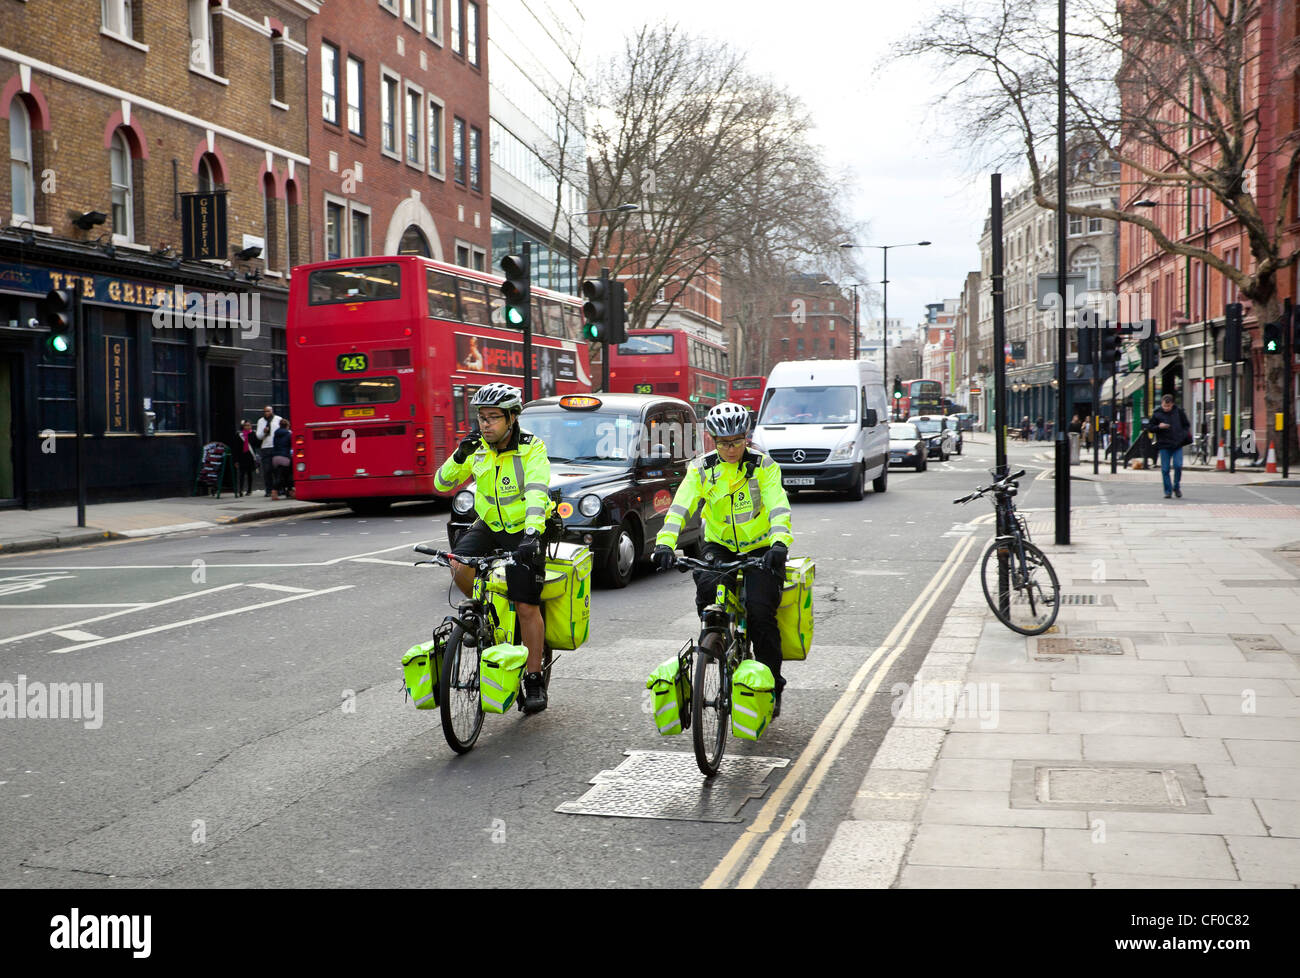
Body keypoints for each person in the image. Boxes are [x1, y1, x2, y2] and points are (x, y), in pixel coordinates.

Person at [651, 401, 795, 719]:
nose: (731, 449)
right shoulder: (702, 468)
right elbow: (680, 507)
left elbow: (778, 507)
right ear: (713, 441)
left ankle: (772, 685)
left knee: (760, 614)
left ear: (746, 437)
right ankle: (717, 645)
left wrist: (780, 543)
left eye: (737, 441)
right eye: (724, 443)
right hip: (720, 545)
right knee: (708, 596)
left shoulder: (763, 466)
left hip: (762, 549)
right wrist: (664, 543)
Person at [434, 383, 556, 713]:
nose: (485, 425)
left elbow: (536, 492)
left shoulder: (531, 448)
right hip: (489, 524)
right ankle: (481, 618)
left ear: (512, 418)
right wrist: (459, 456)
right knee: (459, 563)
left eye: (493, 418)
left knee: (526, 605)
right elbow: (441, 483)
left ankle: (533, 680)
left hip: (525, 530)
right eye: (481, 418)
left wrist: (532, 534)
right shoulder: (475, 447)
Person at [1150, 393, 1191, 499]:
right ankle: (1168, 491)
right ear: (1162, 404)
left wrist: (1182, 435)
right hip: (1164, 445)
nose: (1166, 408)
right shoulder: (1157, 414)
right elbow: (1150, 427)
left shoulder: (1179, 412)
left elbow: (1186, 425)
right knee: (1165, 469)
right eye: (1164, 406)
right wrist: (1159, 427)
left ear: (1172, 404)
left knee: (1178, 466)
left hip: (1177, 444)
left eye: (1168, 406)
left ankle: (1176, 487)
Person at [255, 404, 283, 497]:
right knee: (267, 470)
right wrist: (264, 432)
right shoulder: (261, 421)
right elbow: (258, 436)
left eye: (268, 411)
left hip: (276, 447)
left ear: (272, 411)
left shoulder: (278, 419)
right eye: (265, 411)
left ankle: (278, 489)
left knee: (277, 470)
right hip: (265, 448)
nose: (267, 413)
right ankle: (268, 490)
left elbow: (281, 433)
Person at [271, 417, 293, 500]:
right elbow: (291, 444)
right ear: (287, 426)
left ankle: (289, 491)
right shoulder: (288, 434)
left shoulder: (275, 434)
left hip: (275, 458)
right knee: (287, 476)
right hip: (284, 457)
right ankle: (275, 492)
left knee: (281, 475)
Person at [236, 420, 258, 497]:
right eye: (246, 425)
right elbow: (237, 448)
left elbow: (257, 444)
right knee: (241, 474)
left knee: (249, 474)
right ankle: (240, 490)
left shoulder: (253, 434)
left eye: (249, 425)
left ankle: (249, 490)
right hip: (242, 457)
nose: (248, 427)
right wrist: (236, 460)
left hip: (250, 457)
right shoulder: (239, 435)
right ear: (243, 426)